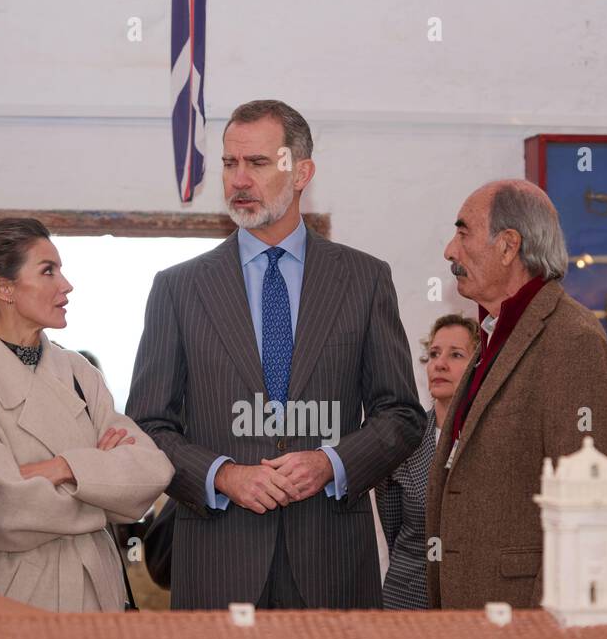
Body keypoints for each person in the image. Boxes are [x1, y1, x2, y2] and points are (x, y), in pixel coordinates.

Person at [126, 99, 424, 610]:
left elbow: (400, 416)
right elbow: (148, 426)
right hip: (218, 565)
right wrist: (222, 475)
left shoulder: (364, 280)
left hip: (332, 564)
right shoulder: (179, 289)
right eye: (229, 163)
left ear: (302, 172)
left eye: (257, 163)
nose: (238, 180)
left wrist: (331, 463)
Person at [0, 218, 173, 612]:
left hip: (101, 592)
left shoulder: (79, 371)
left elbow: (152, 472)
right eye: (48, 271)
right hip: (16, 598)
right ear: (4, 288)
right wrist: (104, 488)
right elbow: (4, 514)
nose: (66, 285)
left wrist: (62, 468)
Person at [426, 180, 607, 610]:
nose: (449, 251)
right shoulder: (497, 334)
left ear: (508, 246)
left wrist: (544, 635)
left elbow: (588, 509)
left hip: (525, 623)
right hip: (473, 615)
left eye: (463, 233)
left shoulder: (571, 340)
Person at [376, 314, 479, 610]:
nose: (440, 364)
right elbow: (392, 526)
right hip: (407, 600)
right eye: (434, 354)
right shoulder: (404, 438)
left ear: (480, 367)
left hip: (472, 606)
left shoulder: (491, 438)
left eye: (456, 355)